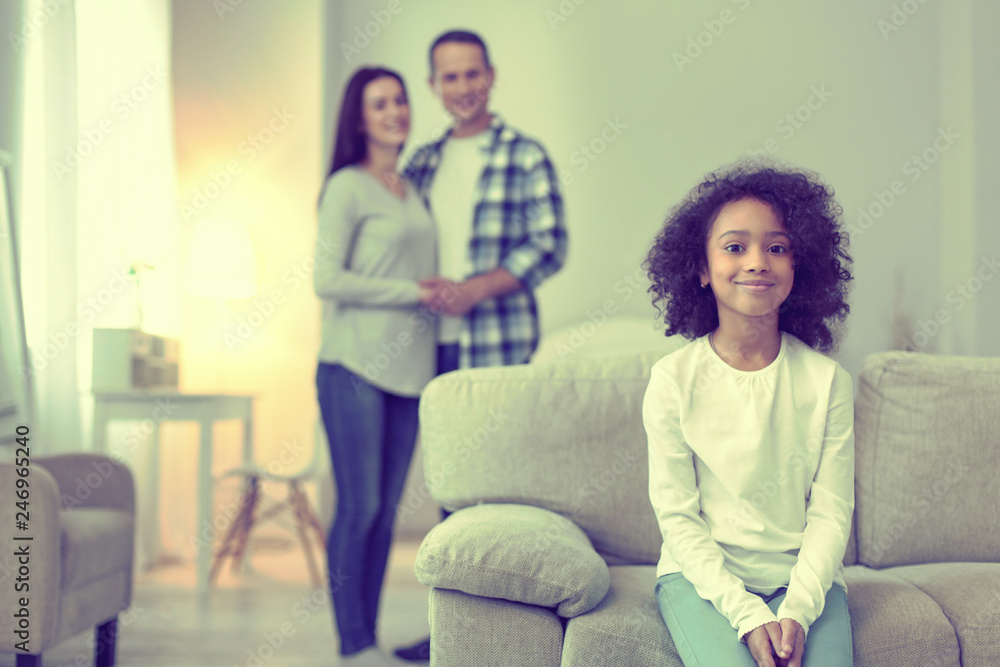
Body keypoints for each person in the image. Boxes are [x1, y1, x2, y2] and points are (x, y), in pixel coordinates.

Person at [393, 29, 568, 662]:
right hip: (429, 349)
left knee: (496, 486)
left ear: (490, 77)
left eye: (473, 75)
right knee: (447, 489)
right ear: (433, 85)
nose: (463, 87)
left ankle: (508, 636)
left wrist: (475, 290)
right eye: (449, 77)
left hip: (497, 342)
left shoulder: (524, 155)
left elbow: (550, 243)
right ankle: (451, 634)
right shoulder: (421, 164)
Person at [642, 160, 855, 667]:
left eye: (776, 248)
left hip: (805, 584)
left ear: (799, 265)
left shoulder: (828, 382)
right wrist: (746, 613)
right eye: (735, 247)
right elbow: (678, 517)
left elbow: (831, 514)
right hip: (702, 581)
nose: (757, 261)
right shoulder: (673, 380)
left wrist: (797, 611)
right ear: (700, 267)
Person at [314, 66, 438, 667]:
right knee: (359, 507)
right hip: (353, 366)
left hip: (409, 374)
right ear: (359, 118)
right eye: (380, 103)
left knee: (385, 514)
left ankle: (366, 635)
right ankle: (353, 643)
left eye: (400, 100)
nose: (394, 111)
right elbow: (325, 278)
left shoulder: (410, 189)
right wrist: (414, 290)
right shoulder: (347, 186)